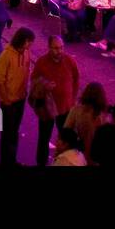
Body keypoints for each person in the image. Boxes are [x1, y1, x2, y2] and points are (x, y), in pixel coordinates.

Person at [30, 35, 80, 166]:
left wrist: (72, 99)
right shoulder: (42, 62)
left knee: (66, 140)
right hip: (47, 109)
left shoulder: (70, 61)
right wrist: (45, 85)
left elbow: (76, 80)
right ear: (49, 48)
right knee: (44, 138)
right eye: (56, 48)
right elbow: (34, 81)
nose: (60, 51)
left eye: (62, 47)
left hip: (65, 108)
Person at [0, 27, 35, 166]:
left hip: (20, 98)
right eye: (29, 42)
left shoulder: (26, 53)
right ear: (21, 41)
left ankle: (12, 159)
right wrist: (6, 100)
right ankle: (6, 161)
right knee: (7, 133)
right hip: (8, 101)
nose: (30, 45)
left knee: (14, 131)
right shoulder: (6, 55)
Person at [64, 82, 108, 157]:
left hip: (79, 153)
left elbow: (66, 130)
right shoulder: (104, 115)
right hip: (98, 153)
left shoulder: (76, 110)